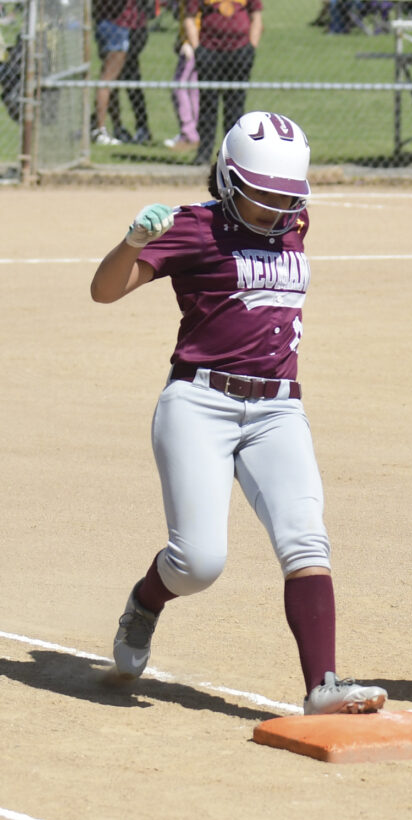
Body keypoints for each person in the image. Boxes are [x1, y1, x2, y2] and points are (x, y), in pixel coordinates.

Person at [90, 111, 386, 717]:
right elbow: (104, 291)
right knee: (198, 563)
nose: (274, 211)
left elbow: (282, 210)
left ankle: (322, 685)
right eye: (260, 197)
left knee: (306, 540)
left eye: (285, 198)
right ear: (226, 179)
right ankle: (147, 601)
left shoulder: (294, 221)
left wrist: (279, 201)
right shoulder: (192, 228)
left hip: (279, 409)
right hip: (200, 403)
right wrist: (134, 243)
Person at [183, 0, 263, 167]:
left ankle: (233, 157)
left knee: (235, 107)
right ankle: (204, 154)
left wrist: (251, 48)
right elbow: (189, 17)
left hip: (239, 51)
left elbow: (256, 17)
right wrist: (198, 49)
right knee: (208, 105)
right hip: (209, 51)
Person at [91, 0, 139, 145]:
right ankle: (100, 129)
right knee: (107, 80)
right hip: (116, 25)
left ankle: (116, 126)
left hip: (112, 24)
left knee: (111, 81)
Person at [108, 0, 152, 144]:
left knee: (130, 76)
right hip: (115, 26)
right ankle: (113, 125)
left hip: (134, 28)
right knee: (112, 78)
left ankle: (142, 127)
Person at [164, 0, 200, 151]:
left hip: (194, 43)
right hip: (192, 41)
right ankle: (193, 133)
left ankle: (189, 134)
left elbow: (195, 16)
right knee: (192, 88)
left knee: (180, 87)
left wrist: (188, 42)